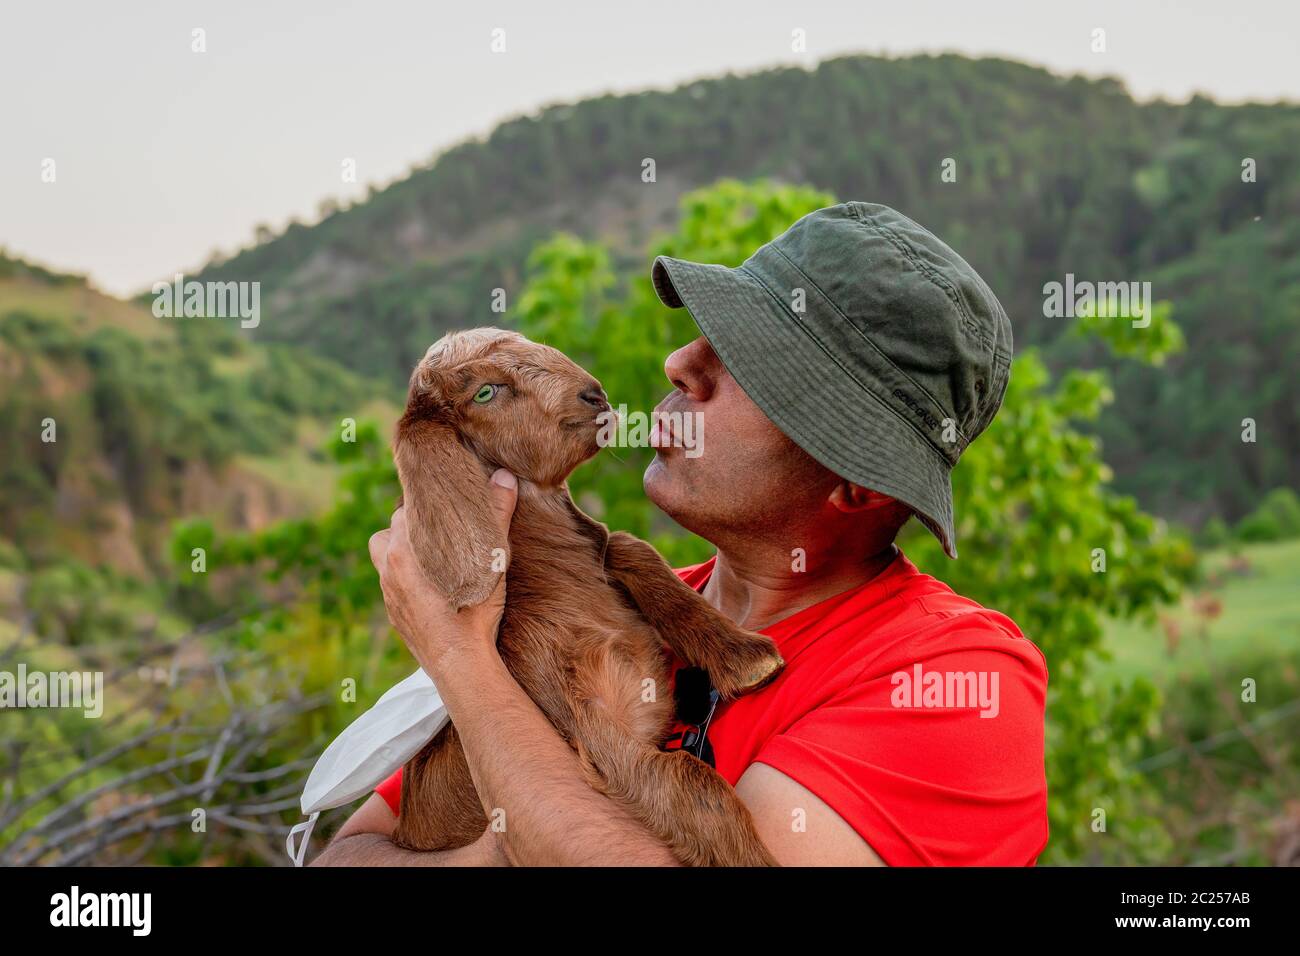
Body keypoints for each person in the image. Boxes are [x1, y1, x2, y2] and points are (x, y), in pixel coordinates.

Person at [313, 203, 1048, 867]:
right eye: (710, 333)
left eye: (756, 365)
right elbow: (347, 858)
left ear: (858, 477)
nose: (684, 363)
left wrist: (456, 655)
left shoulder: (952, 680)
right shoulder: (617, 601)